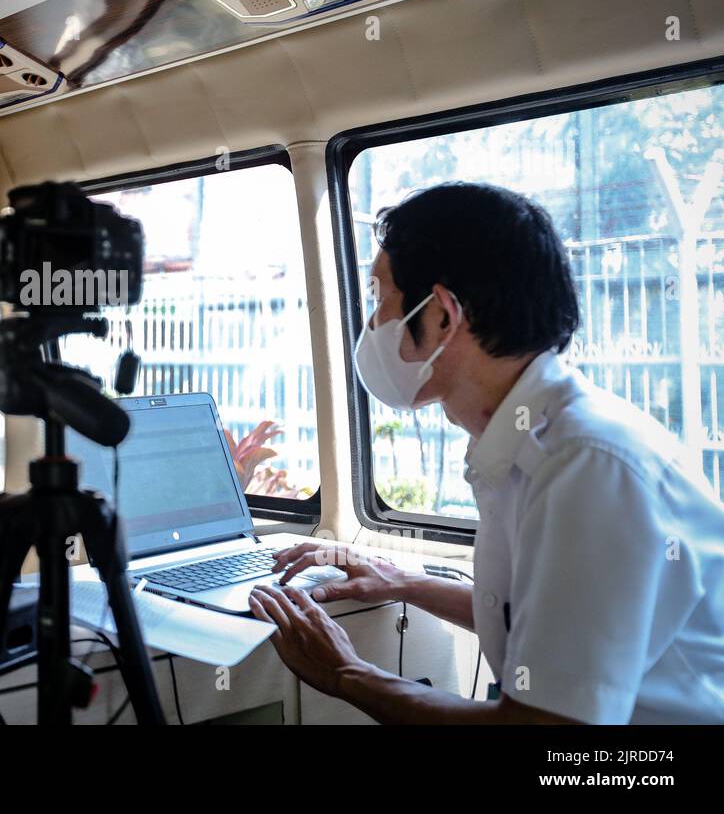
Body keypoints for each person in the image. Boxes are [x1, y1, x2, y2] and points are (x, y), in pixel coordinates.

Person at [251, 182, 724, 724]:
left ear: (445, 317)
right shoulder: (531, 442)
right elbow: (541, 622)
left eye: (381, 302)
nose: (373, 325)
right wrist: (399, 580)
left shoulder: (586, 466)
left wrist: (347, 675)